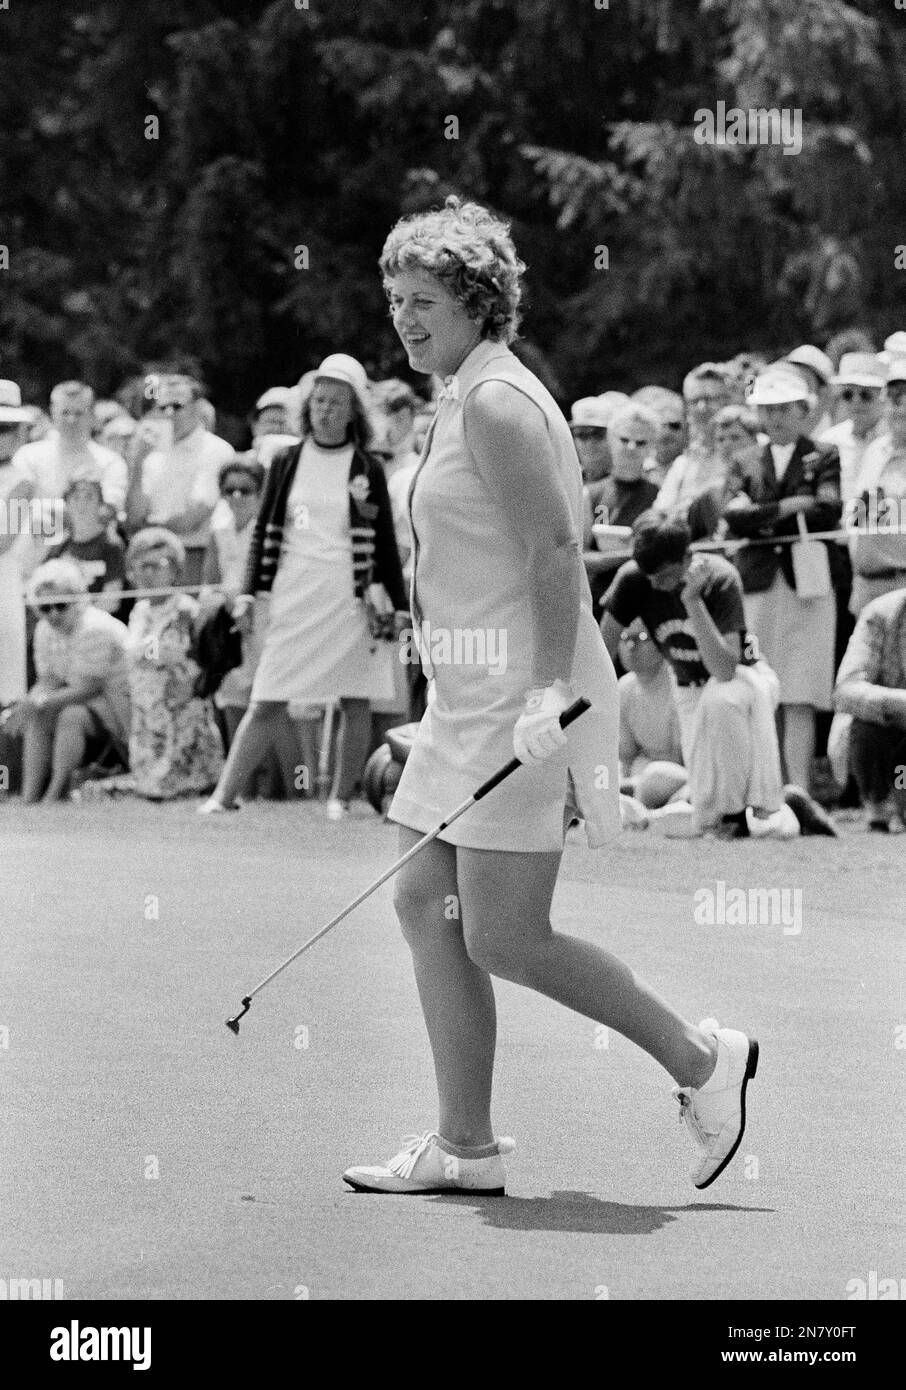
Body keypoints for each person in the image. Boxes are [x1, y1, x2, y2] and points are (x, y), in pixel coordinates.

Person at [340, 196, 759, 1199]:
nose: (405, 316)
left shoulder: (494, 401)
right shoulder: (457, 393)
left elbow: (554, 547)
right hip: (466, 698)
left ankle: (705, 1064)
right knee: (421, 902)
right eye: (396, 298)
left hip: (521, 702)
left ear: (480, 301)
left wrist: (539, 693)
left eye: (426, 298)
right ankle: (464, 1144)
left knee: (506, 933)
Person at [199, 354, 407, 819]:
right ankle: (223, 796)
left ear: (353, 409)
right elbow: (264, 530)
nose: (325, 410)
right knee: (268, 696)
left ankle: (339, 796)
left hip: (350, 598)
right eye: (318, 401)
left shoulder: (366, 468)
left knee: (355, 698)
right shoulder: (286, 461)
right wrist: (251, 590)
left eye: (336, 402)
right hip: (295, 592)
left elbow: (387, 544)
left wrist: (395, 601)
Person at [600, 511, 785, 837]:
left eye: (666, 576)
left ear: (688, 557)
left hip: (746, 679)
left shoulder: (720, 578)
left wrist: (692, 600)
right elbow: (604, 643)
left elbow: (725, 669)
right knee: (703, 814)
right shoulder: (637, 579)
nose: (657, 585)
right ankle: (746, 816)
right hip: (687, 684)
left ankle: (736, 818)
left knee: (720, 702)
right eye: (650, 576)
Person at [723, 364, 844, 791]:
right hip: (758, 581)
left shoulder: (824, 454)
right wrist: (788, 507)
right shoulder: (744, 460)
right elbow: (733, 516)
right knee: (761, 689)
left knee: (801, 693)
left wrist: (762, 516)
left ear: (802, 410)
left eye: (784, 408)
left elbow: (827, 508)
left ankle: (798, 791)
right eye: (768, 409)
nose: (775, 418)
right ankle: (766, 789)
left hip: (806, 582)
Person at [96, 528, 224, 800]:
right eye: (139, 566)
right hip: (146, 714)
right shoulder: (140, 611)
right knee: (151, 792)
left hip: (181, 714)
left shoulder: (187, 610)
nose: (146, 574)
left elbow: (199, 660)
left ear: (176, 570)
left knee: (184, 790)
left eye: (156, 566)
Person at [4, 558, 129, 802]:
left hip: (120, 708)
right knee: (39, 715)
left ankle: (54, 795)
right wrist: (30, 703)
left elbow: (89, 687)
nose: (52, 614)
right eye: (45, 607)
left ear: (78, 599)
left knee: (71, 715)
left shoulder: (96, 628)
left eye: (60, 606)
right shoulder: (44, 630)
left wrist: (38, 703)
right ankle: (29, 798)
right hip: (87, 702)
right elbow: (48, 680)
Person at [125, 371, 234, 556]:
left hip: (195, 553)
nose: (169, 413)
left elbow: (191, 519)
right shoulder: (149, 453)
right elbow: (134, 517)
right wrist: (138, 462)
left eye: (177, 406)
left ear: (197, 408)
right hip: (149, 556)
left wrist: (149, 529)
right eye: (163, 407)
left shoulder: (216, 450)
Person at [199, 457, 267, 746]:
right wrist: (220, 603)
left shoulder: (268, 528)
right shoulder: (219, 527)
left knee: (266, 700)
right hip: (229, 625)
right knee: (231, 695)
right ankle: (242, 784)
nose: (237, 496)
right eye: (230, 490)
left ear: (261, 492)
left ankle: (276, 786)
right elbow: (208, 582)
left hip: (264, 619)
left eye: (245, 489)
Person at [833, 586, 906, 831]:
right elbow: (846, 690)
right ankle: (881, 807)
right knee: (866, 728)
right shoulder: (881, 613)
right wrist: (899, 703)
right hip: (895, 738)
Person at [12, 380, 128, 531]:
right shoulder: (28, 456)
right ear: (53, 412)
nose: (71, 420)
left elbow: (108, 510)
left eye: (78, 413)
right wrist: (79, 511)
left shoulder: (111, 462)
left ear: (92, 415)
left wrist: (43, 511)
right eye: (65, 412)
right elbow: (16, 507)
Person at [846, 357, 906, 616]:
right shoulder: (874, 451)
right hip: (867, 585)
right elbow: (858, 515)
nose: (901, 407)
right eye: (894, 397)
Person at [617, 620, 686, 810]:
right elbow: (626, 758)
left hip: (682, 775)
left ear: (660, 645)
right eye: (625, 638)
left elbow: (679, 758)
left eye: (641, 638)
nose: (631, 647)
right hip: (642, 771)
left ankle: (634, 811)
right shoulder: (624, 687)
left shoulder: (678, 684)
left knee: (654, 776)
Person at [654, 363, 734, 518]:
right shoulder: (684, 462)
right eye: (694, 400)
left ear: (728, 401)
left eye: (709, 399)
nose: (701, 408)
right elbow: (661, 513)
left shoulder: (753, 449)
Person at [0, 381, 36, 706]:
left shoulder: (22, 480)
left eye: (9, 428)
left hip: (3, 583)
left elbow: (4, 541)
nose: (2, 436)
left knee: (6, 683)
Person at [45, 474, 126, 615]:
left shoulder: (111, 545)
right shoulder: (59, 547)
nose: (82, 504)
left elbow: (112, 601)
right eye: (76, 497)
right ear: (67, 504)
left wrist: (78, 621)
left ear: (101, 504)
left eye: (89, 497)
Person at [819, 353, 886, 504]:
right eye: (848, 395)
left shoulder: (894, 441)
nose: (856, 402)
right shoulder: (829, 441)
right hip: (840, 525)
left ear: (883, 397)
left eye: (865, 395)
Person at [631, 386, 686, 481]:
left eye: (674, 425)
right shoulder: (633, 468)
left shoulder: (693, 469)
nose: (667, 432)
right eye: (661, 425)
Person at [784, 345, 835, 437]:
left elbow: (802, 434)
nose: (799, 375)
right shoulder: (786, 400)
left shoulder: (827, 401)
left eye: (805, 370)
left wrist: (823, 401)